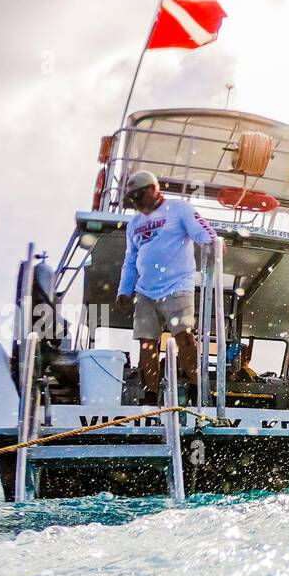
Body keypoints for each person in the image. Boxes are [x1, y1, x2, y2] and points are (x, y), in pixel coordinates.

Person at [114, 170, 216, 405]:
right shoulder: (134, 224)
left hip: (178, 285)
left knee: (184, 337)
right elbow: (130, 260)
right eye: (131, 199)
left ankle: (195, 385)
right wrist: (123, 290)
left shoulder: (179, 208)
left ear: (152, 189)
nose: (136, 203)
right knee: (147, 342)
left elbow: (203, 231)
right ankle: (150, 395)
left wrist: (211, 244)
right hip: (145, 291)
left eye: (138, 196)